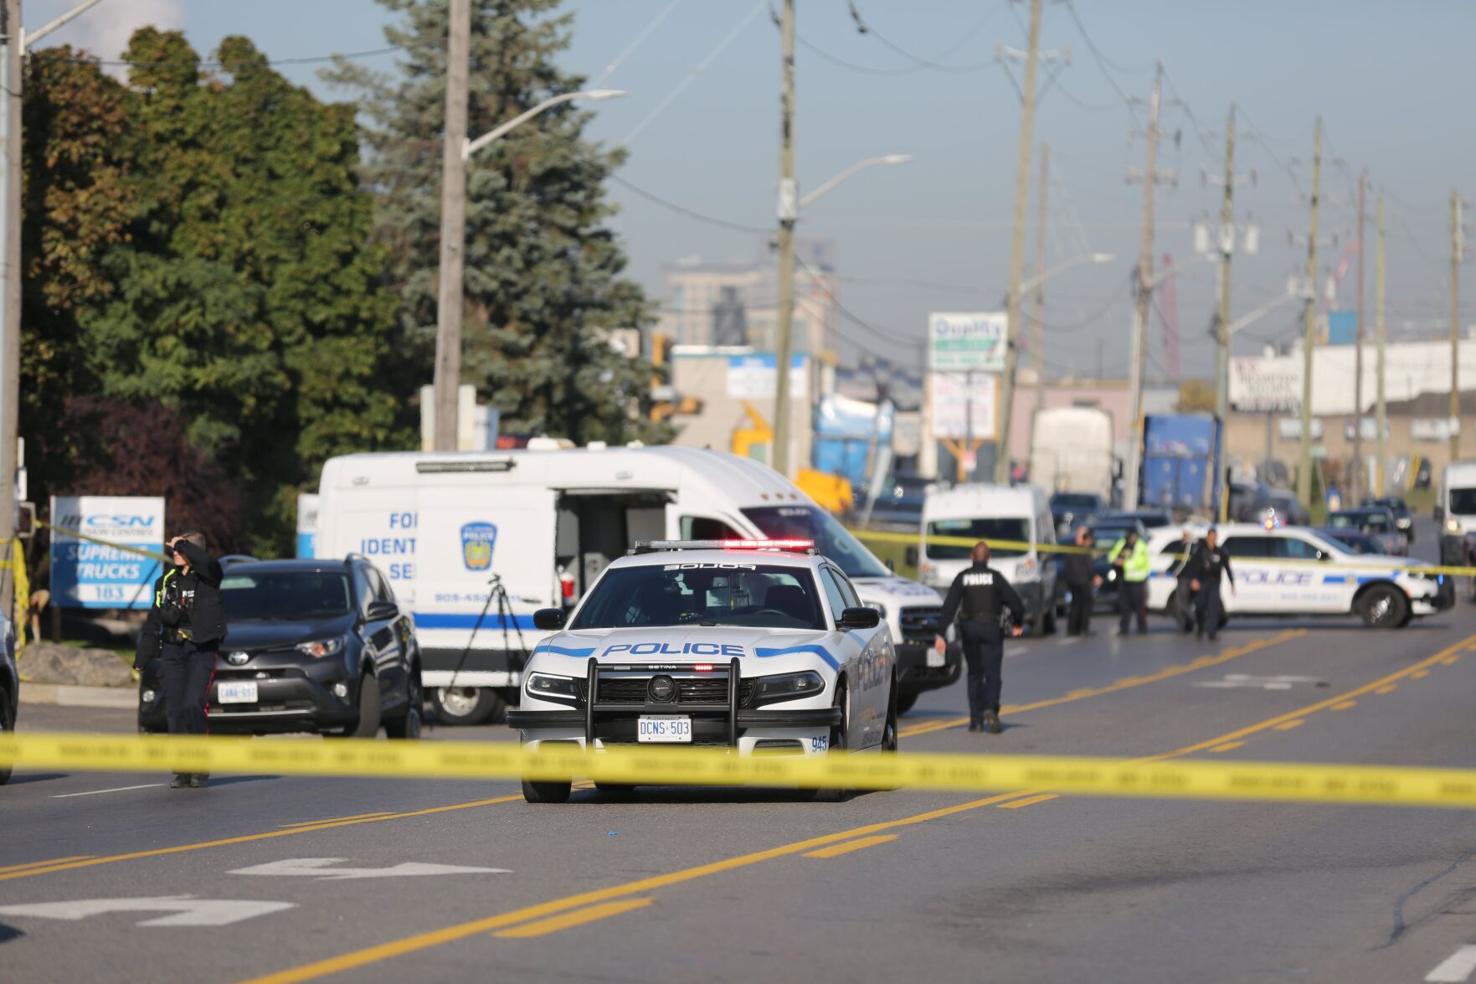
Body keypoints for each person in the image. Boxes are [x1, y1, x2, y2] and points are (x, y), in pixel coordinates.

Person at [144, 532, 225, 788]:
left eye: (180, 550)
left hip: (200, 649)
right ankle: (182, 769)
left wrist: (181, 543)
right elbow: (156, 615)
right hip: (173, 650)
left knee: (193, 704)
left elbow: (207, 562)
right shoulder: (169, 579)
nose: (175, 553)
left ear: (193, 552)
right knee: (175, 708)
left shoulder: (210, 576)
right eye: (174, 550)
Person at [934, 541, 1025, 734]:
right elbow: (1016, 603)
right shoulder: (995, 577)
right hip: (992, 629)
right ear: (988, 558)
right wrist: (1018, 623)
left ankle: (975, 721)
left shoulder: (963, 577)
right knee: (992, 673)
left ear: (971, 557)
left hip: (970, 629)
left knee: (974, 673)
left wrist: (940, 634)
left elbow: (949, 606)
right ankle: (990, 709)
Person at [1186, 527, 1236, 641]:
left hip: (1215, 583)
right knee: (1200, 606)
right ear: (1207, 537)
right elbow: (1192, 566)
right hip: (1202, 582)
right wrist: (1193, 580)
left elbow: (1227, 567)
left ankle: (1212, 632)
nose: (1212, 538)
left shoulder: (1220, 552)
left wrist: (1232, 583)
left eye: (1214, 536)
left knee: (1213, 608)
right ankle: (1200, 627)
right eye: (1211, 536)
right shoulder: (1200, 551)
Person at [1108, 529, 1151, 635]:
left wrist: (1125, 563)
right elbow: (1112, 554)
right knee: (1124, 605)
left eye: (1134, 537)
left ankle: (1142, 628)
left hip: (1138, 580)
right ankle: (1124, 628)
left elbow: (1142, 561)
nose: (1132, 539)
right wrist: (1115, 560)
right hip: (1124, 579)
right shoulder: (1121, 543)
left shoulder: (1141, 546)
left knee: (1139, 606)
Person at [1062, 526, 1101, 636]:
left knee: (1077, 605)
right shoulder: (1081, 549)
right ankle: (1081, 629)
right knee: (1082, 605)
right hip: (1081, 581)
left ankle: (1074, 629)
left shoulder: (1075, 549)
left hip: (1075, 581)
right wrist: (1094, 577)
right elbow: (1087, 566)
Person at [1172, 530, 1197, 633]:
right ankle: (1183, 625)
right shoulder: (1183, 545)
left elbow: (1183, 562)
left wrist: (1175, 572)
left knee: (1182, 603)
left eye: (1186, 534)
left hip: (1185, 578)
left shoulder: (1189, 546)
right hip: (1181, 577)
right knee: (1178, 603)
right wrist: (1168, 571)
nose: (1183, 536)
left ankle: (1196, 622)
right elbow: (1177, 561)